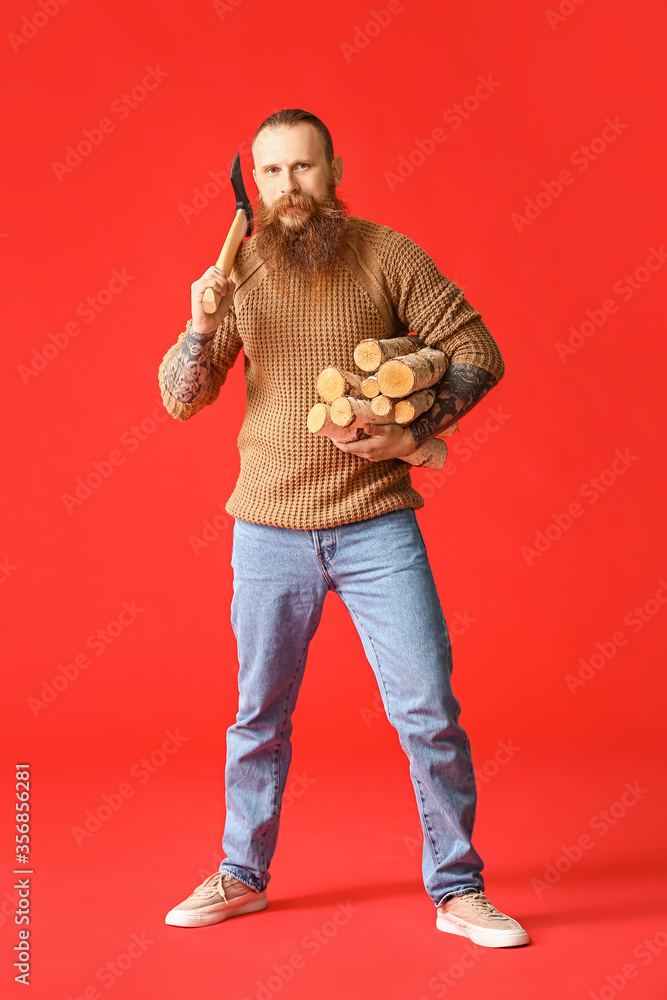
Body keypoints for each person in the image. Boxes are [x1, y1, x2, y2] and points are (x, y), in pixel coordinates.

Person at [158, 108, 529, 948]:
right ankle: (241, 875)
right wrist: (202, 325)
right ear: (255, 185)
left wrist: (416, 426)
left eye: (304, 168)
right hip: (267, 530)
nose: (289, 189)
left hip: (376, 527)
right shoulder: (238, 272)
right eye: (273, 173)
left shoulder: (387, 253)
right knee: (258, 714)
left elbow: (476, 348)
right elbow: (181, 399)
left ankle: (458, 888)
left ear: (333, 168)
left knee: (427, 709)